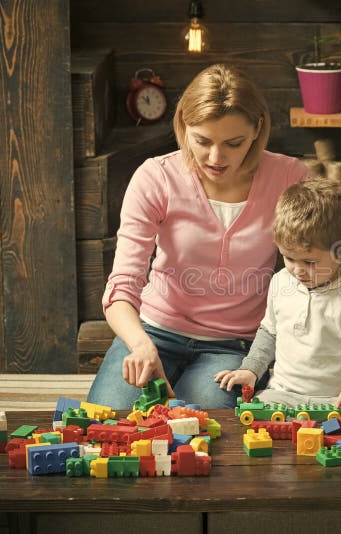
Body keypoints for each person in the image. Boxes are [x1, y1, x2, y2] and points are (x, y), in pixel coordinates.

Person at [86, 64, 308, 410]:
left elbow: (315, 261)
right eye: (202, 141)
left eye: (233, 143)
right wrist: (140, 344)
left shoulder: (290, 177)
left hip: (234, 344)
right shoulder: (155, 178)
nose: (216, 158)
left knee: (205, 427)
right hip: (154, 331)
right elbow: (121, 286)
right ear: (183, 127)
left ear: (257, 130)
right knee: (110, 419)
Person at [214, 176, 341, 410]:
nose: (297, 271)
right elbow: (269, 333)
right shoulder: (281, 282)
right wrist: (250, 369)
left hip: (337, 401)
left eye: (310, 262)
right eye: (289, 258)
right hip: (282, 394)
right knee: (248, 419)